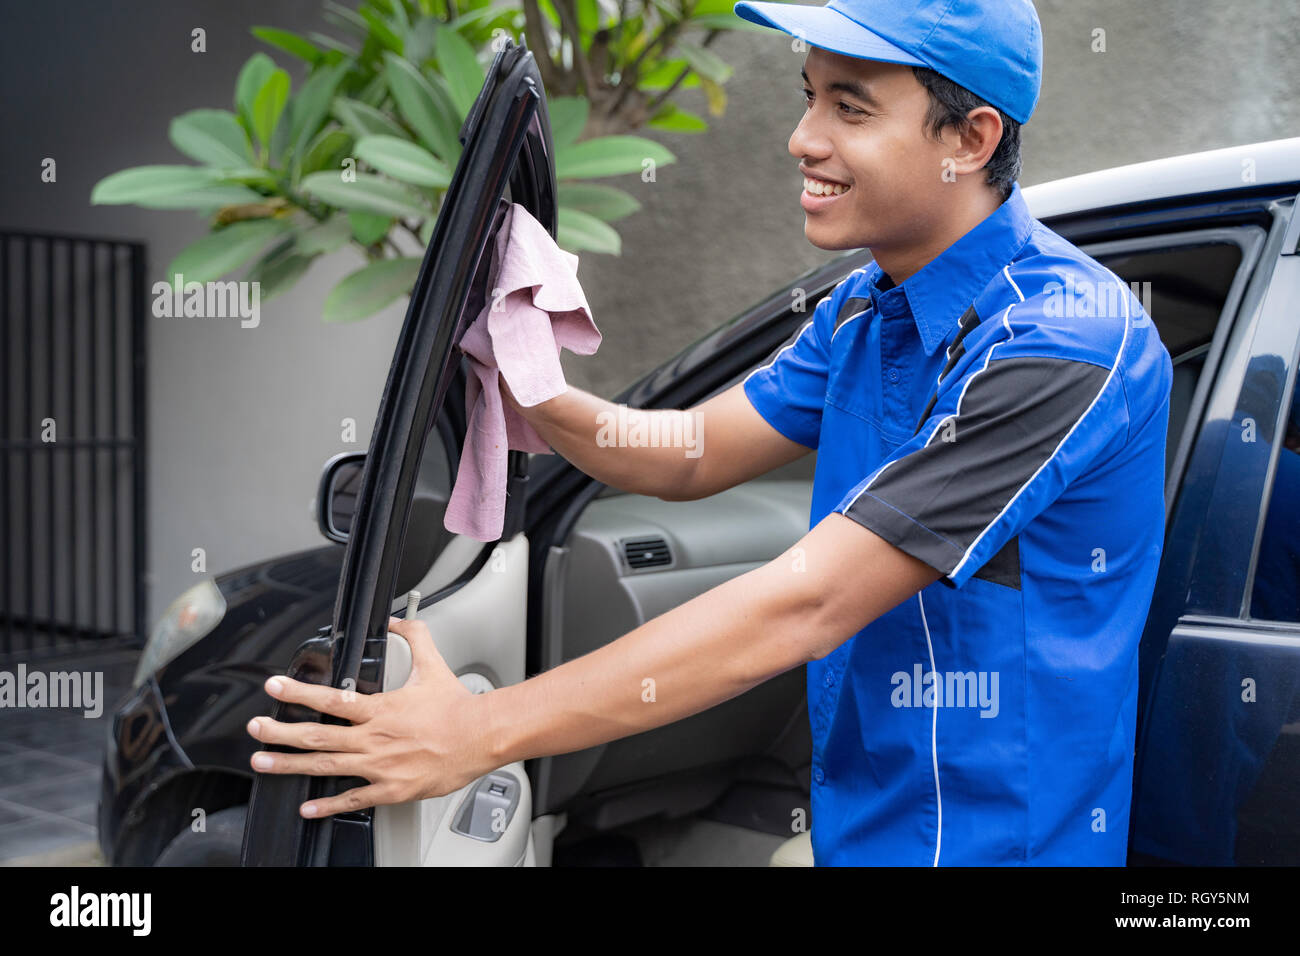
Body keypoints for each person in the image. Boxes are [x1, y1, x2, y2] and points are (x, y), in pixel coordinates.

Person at [247, 0, 1174, 865]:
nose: (802, 138)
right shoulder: (864, 307)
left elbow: (806, 605)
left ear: (969, 139)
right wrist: (538, 392)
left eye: (851, 109)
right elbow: (693, 452)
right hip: (860, 824)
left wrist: (476, 734)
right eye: (808, 97)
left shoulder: (1065, 341)